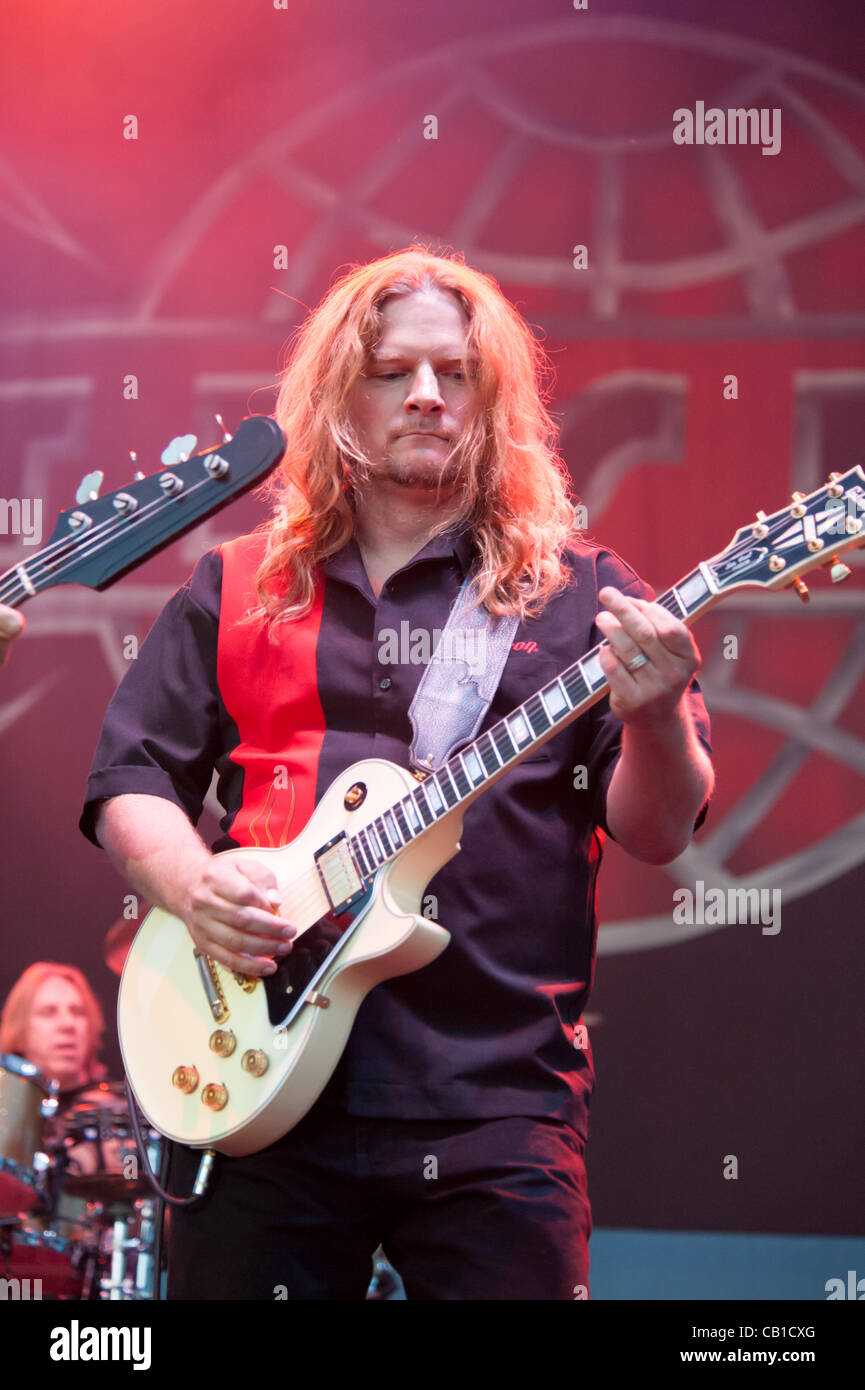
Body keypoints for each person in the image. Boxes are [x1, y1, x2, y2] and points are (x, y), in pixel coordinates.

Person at [80, 245, 714, 1300]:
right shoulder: (236, 584)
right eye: (391, 372)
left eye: (455, 373)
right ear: (338, 396)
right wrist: (193, 888)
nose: (425, 395)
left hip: (495, 1098)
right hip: (256, 1074)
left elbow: (656, 826)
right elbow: (128, 778)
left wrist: (653, 722)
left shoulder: (579, 595)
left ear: (492, 397)